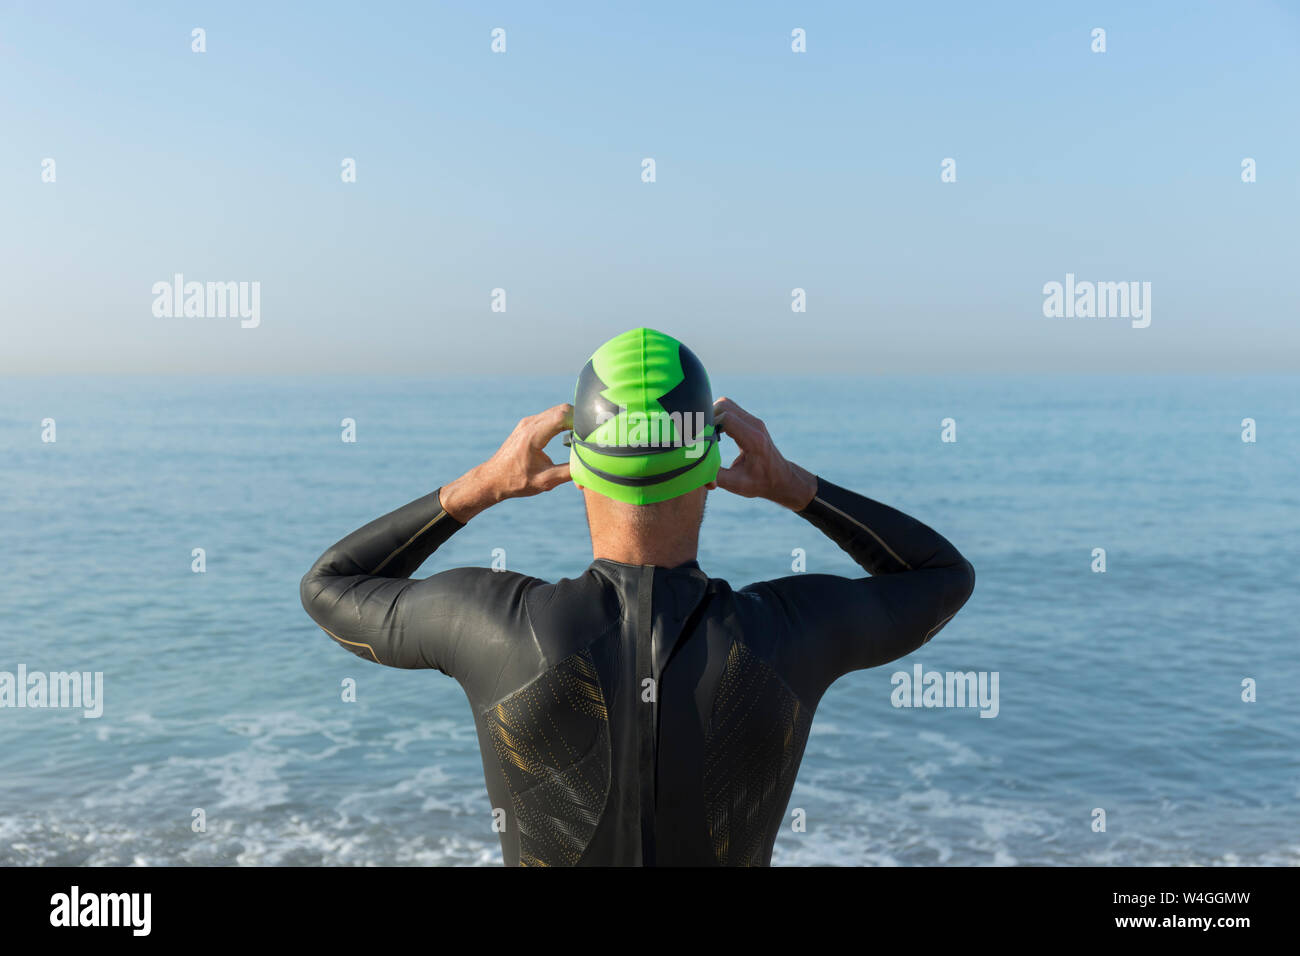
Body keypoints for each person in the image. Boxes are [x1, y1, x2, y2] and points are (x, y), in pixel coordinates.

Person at [300, 327, 975, 866]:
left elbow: (331, 584)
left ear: (576, 470)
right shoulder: (785, 635)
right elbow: (942, 576)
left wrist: (481, 485)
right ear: (713, 470)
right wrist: (793, 484)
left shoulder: (495, 626)